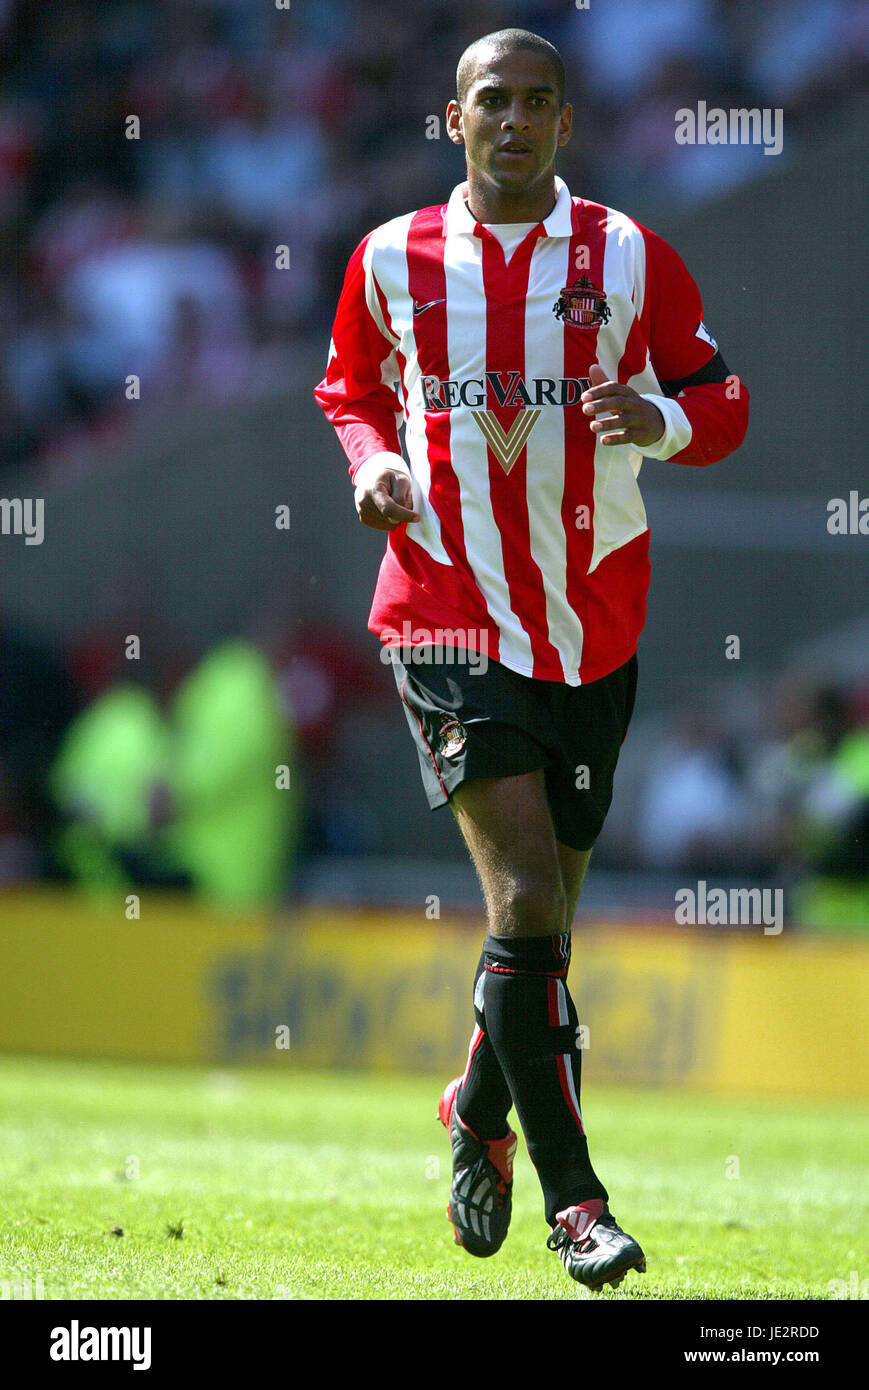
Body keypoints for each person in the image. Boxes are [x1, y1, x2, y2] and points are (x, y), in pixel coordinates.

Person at [314, 27, 749, 1291]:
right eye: (489, 101)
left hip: (590, 630)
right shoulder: (392, 258)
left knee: (542, 933)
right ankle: (579, 1205)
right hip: (445, 615)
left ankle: (475, 1108)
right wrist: (374, 465)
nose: (513, 120)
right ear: (453, 121)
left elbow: (720, 401)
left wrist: (657, 418)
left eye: (536, 102)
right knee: (526, 907)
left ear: (566, 121)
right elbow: (348, 386)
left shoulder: (623, 256)